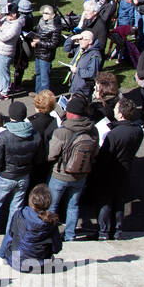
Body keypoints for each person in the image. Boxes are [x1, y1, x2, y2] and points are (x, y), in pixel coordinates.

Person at [0, 100, 39, 245]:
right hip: (23, 176)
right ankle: (11, 239)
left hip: (5, 176)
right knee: (16, 208)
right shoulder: (35, 134)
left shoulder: (4, 136)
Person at [47, 94, 98, 241]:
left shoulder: (62, 132)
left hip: (60, 175)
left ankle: (51, 235)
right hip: (81, 175)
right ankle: (70, 235)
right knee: (73, 206)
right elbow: (95, 152)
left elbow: (52, 155)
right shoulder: (92, 130)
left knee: (52, 206)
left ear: (69, 113)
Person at [91, 98, 143, 240]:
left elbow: (104, 156)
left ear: (120, 114)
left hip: (109, 172)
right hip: (125, 171)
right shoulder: (137, 131)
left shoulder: (114, 134)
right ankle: (117, 230)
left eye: (116, 109)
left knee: (105, 202)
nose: (114, 110)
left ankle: (103, 231)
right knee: (119, 202)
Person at [0, 184, 63, 271]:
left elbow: (9, 236)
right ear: (49, 203)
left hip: (17, 263)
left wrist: (1, 255)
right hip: (40, 265)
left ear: (31, 200)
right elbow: (57, 248)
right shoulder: (51, 221)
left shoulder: (19, 214)